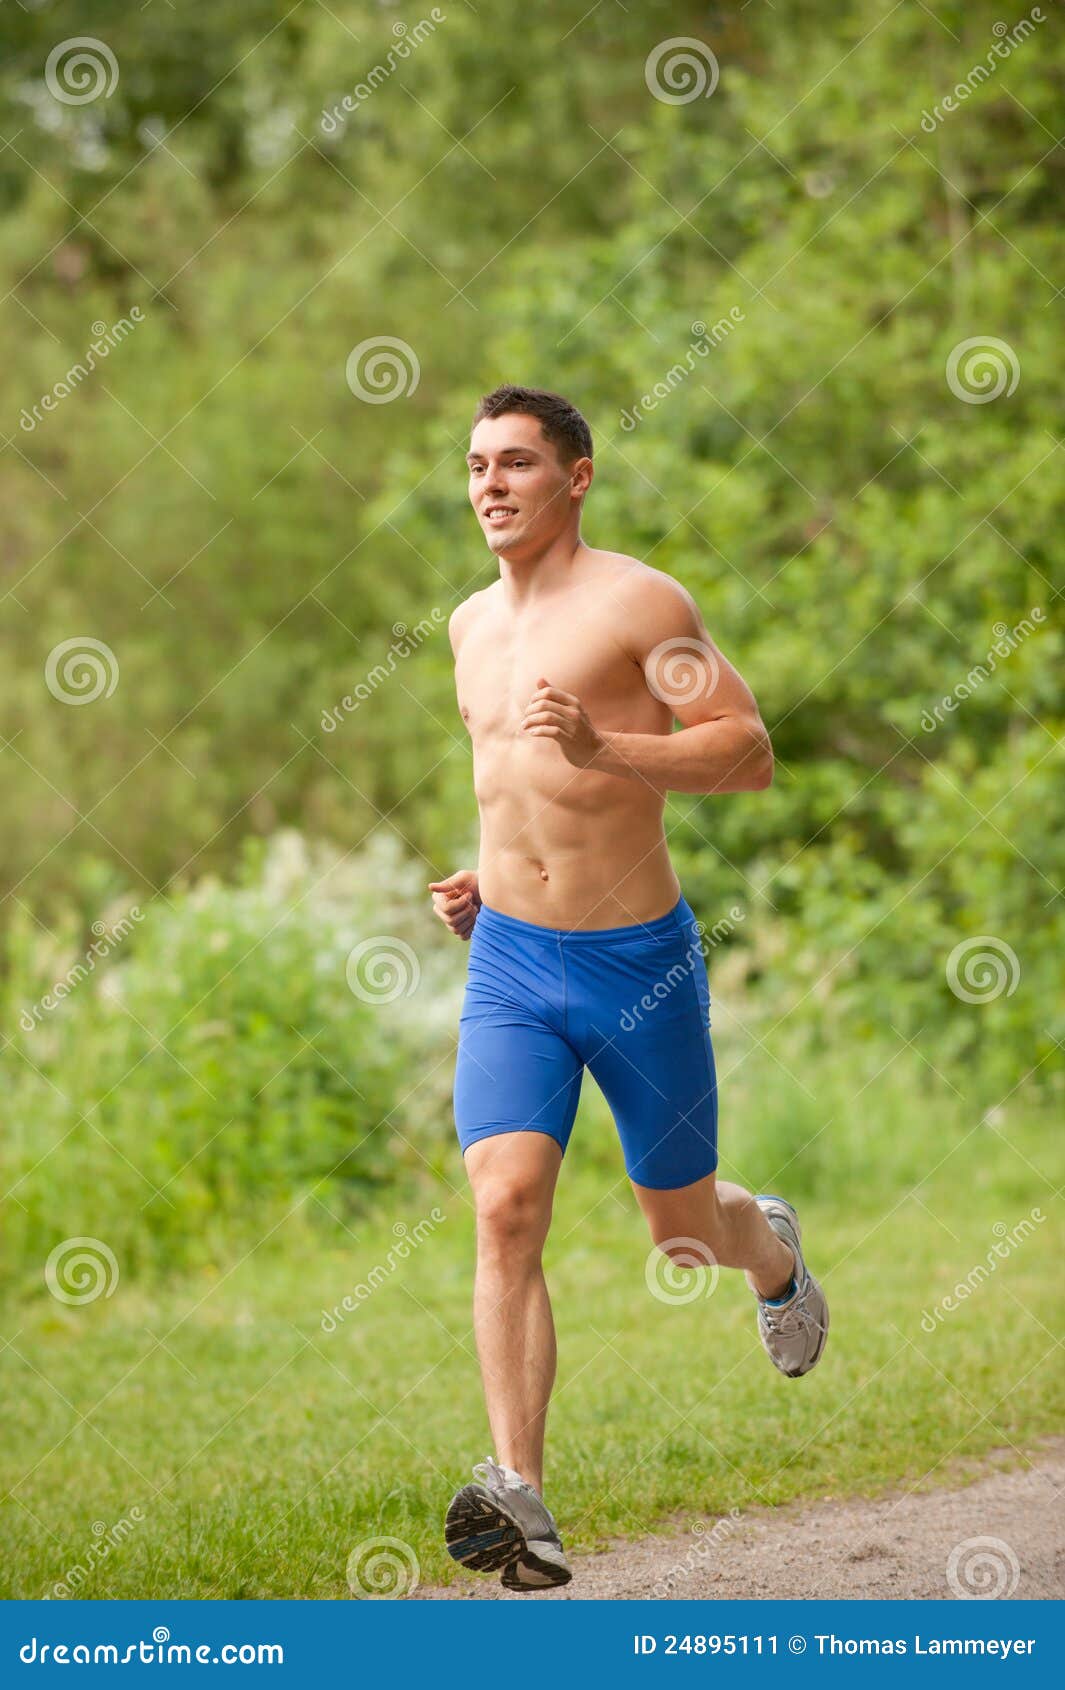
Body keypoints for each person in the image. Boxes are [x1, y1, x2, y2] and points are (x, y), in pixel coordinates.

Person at [429, 385, 828, 1593]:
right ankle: (524, 1499)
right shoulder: (464, 626)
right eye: (476, 465)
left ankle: (770, 1255)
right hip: (510, 963)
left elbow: (747, 751)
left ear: (577, 477)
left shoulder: (640, 604)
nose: (490, 485)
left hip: (637, 968)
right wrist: (484, 882)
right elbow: (516, 791)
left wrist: (609, 748)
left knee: (682, 1230)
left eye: (516, 464)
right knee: (505, 1206)